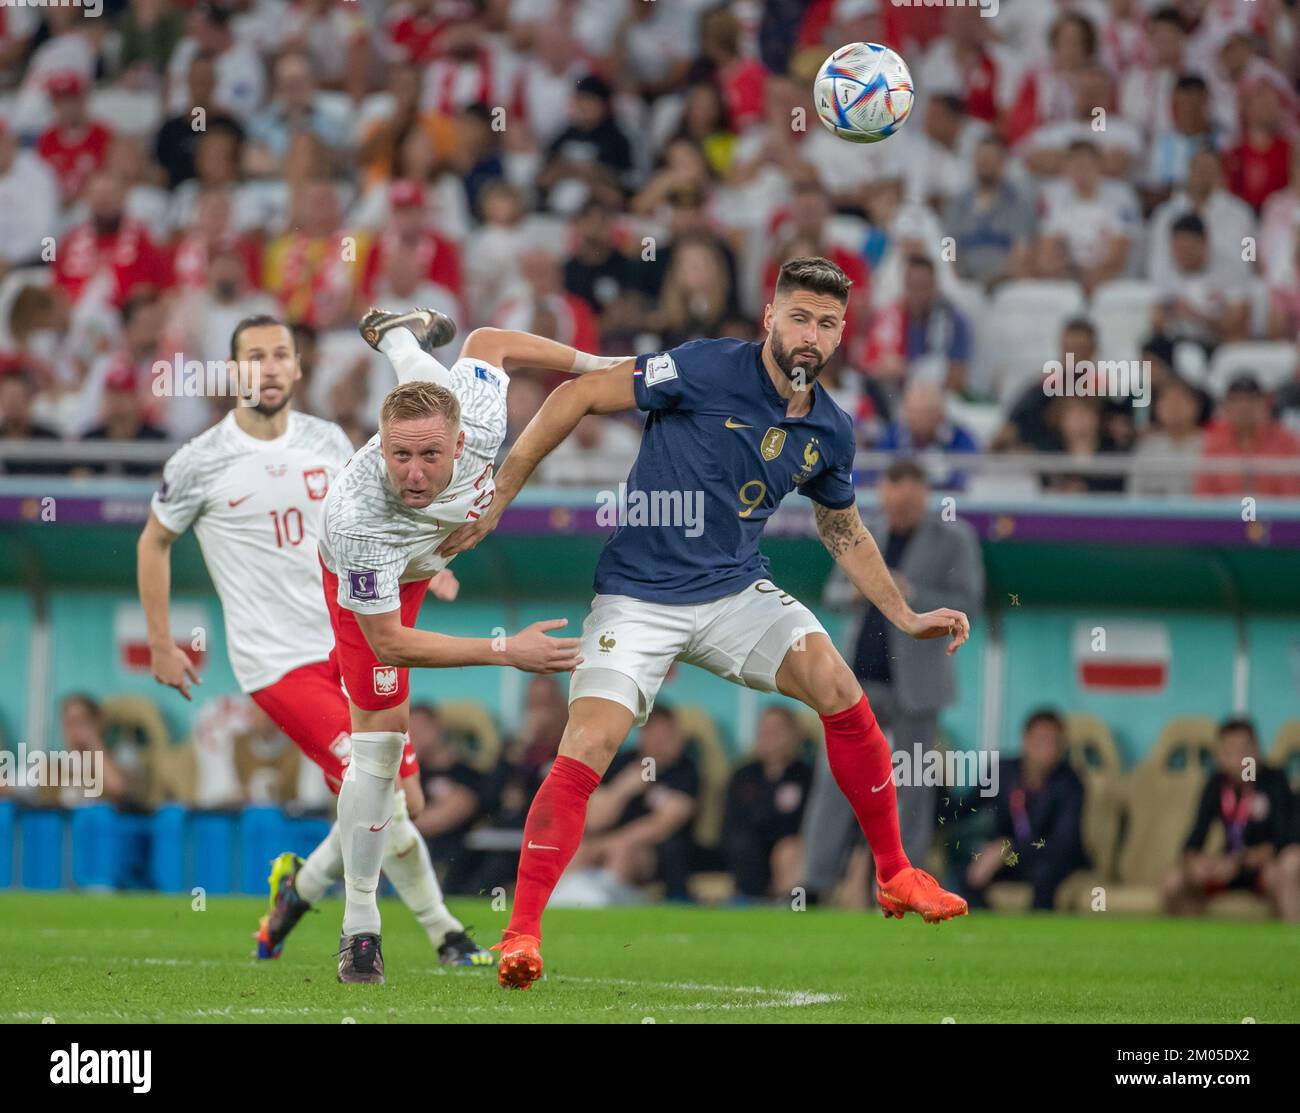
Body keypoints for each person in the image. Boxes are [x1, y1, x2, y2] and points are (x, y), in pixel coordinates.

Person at [440, 256, 973, 991]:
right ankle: (522, 930)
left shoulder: (830, 428)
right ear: (769, 318)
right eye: (798, 317)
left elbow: (842, 529)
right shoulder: (700, 367)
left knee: (839, 688)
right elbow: (578, 395)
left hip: (733, 592)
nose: (809, 334)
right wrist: (499, 494)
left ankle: (894, 872)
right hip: (638, 594)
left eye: (825, 322)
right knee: (589, 742)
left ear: (841, 331)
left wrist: (905, 614)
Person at [136, 311, 492, 976]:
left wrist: (428, 563)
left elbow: (380, 514)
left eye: (280, 355)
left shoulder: (331, 439)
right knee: (375, 786)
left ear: (298, 368)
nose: (268, 367)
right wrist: (160, 640)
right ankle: (445, 933)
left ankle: (297, 891)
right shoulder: (200, 459)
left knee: (399, 801)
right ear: (232, 369)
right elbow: (154, 539)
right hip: (277, 661)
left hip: (350, 634)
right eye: (253, 356)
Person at [316, 309, 628, 982]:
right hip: (372, 585)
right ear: (378, 445)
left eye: (431, 454)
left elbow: (492, 343)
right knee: (379, 741)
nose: (416, 471)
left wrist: (595, 367)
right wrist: (503, 649)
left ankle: (398, 333)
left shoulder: (478, 422)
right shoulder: (356, 517)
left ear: (462, 445)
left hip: (425, 551)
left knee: (447, 364)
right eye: (399, 454)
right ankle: (360, 926)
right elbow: (391, 643)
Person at [805, 460, 984, 901]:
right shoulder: (869, 534)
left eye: (908, 498)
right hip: (861, 681)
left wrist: (912, 594)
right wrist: (856, 591)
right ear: (882, 493)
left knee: (912, 787)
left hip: (917, 687)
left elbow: (968, 604)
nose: (899, 507)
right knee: (835, 778)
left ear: (923, 494)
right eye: (891, 496)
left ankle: (901, 886)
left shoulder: (955, 539)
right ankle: (815, 882)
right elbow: (830, 592)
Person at [1164, 717, 1300, 922]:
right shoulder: (1216, 783)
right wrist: (1198, 863)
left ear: (1256, 751)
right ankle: (1190, 946)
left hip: (1259, 870)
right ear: (1220, 755)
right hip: (1226, 869)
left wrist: (1239, 861)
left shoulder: (1274, 780)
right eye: (1229, 752)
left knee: (1280, 872)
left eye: (1244, 751)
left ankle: (1290, 944)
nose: (1237, 758)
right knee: (1173, 880)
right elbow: (1194, 838)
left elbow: (1282, 842)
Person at [963, 709, 1088, 911]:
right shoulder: (1003, 772)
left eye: (1055, 742)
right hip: (1011, 860)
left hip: (1049, 860)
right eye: (1041, 740)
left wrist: (1009, 847)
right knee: (968, 870)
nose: (1048, 749)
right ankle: (981, 931)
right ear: (1026, 739)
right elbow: (962, 808)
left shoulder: (1070, 783)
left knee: (1044, 875)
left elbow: (1063, 844)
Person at [574, 705, 700, 901]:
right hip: (605, 838)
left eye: (664, 733)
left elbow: (666, 822)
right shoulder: (622, 762)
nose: (658, 740)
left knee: (622, 852)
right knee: (578, 849)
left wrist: (617, 842)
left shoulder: (685, 769)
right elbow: (595, 820)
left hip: (654, 851)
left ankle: (607, 905)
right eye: (652, 732)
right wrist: (623, 789)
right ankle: (565, 902)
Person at [722, 705, 813, 902]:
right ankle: (748, 901)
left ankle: (790, 905)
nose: (769, 737)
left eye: (777, 731)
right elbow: (731, 823)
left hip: (790, 851)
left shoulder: (807, 776)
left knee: (789, 851)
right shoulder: (743, 775)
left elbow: (812, 825)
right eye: (764, 730)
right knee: (742, 844)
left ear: (794, 735)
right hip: (750, 855)